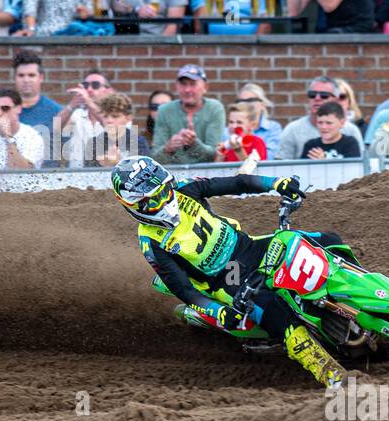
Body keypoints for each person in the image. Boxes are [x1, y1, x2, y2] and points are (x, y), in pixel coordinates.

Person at [111, 156, 348, 387]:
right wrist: (220, 312)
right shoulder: (151, 243)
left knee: (326, 240)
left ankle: (363, 291)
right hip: (226, 280)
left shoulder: (185, 190)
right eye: (154, 201)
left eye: (165, 191)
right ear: (135, 207)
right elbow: (184, 290)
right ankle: (327, 371)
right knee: (275, 309)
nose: (164, 202)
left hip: (248, 246)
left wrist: (276, 183)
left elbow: (238, 183)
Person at [151, 64, 226, 164]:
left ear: (205, 87)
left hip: (206, 175)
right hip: (172, 174)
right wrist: (168, 148)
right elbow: (155, 159)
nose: (187, 89)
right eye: (183, 84)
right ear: (176, 87)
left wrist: (194, 143)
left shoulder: (214, 108)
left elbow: (214, 155)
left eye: (192, 84)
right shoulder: (164, 110)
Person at [278, 75, 364, 157]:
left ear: (336, 99)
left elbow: (361, 166)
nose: (317, 98)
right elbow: (281, 166)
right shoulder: (292, 130)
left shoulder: (351, 131)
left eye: (324, 95)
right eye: (312, 94)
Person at [54, 69, 115, 167]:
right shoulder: (77, 114)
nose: (89, 89)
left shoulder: (117, 116)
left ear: (109, 91)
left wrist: (88, 101)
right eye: (86, 86)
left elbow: (111, 128)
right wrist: (72, 104)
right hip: (76, 177)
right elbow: (55, 127)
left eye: (95, 85)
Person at [89, 93, 150, 167]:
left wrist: (116, 164)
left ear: (128, 118)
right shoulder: (95, 143)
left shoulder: (138, 142)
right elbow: (86, 174)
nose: (109, 120)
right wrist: (102, 165)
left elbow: (143, 172)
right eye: (105, 116)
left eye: (115, 116)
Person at [11, 50, 62, 136]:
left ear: (41, 77)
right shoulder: (4, 109)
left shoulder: (55, 111)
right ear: (15, 77)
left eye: (31, 75)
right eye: (21, 75)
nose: (26, 80)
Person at [235, 83, 283, 157]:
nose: (245, 105)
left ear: (262, 104)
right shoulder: (228, 130)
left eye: (251, 100)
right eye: (241, 101)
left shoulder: (273, 128)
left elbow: (269, 157)